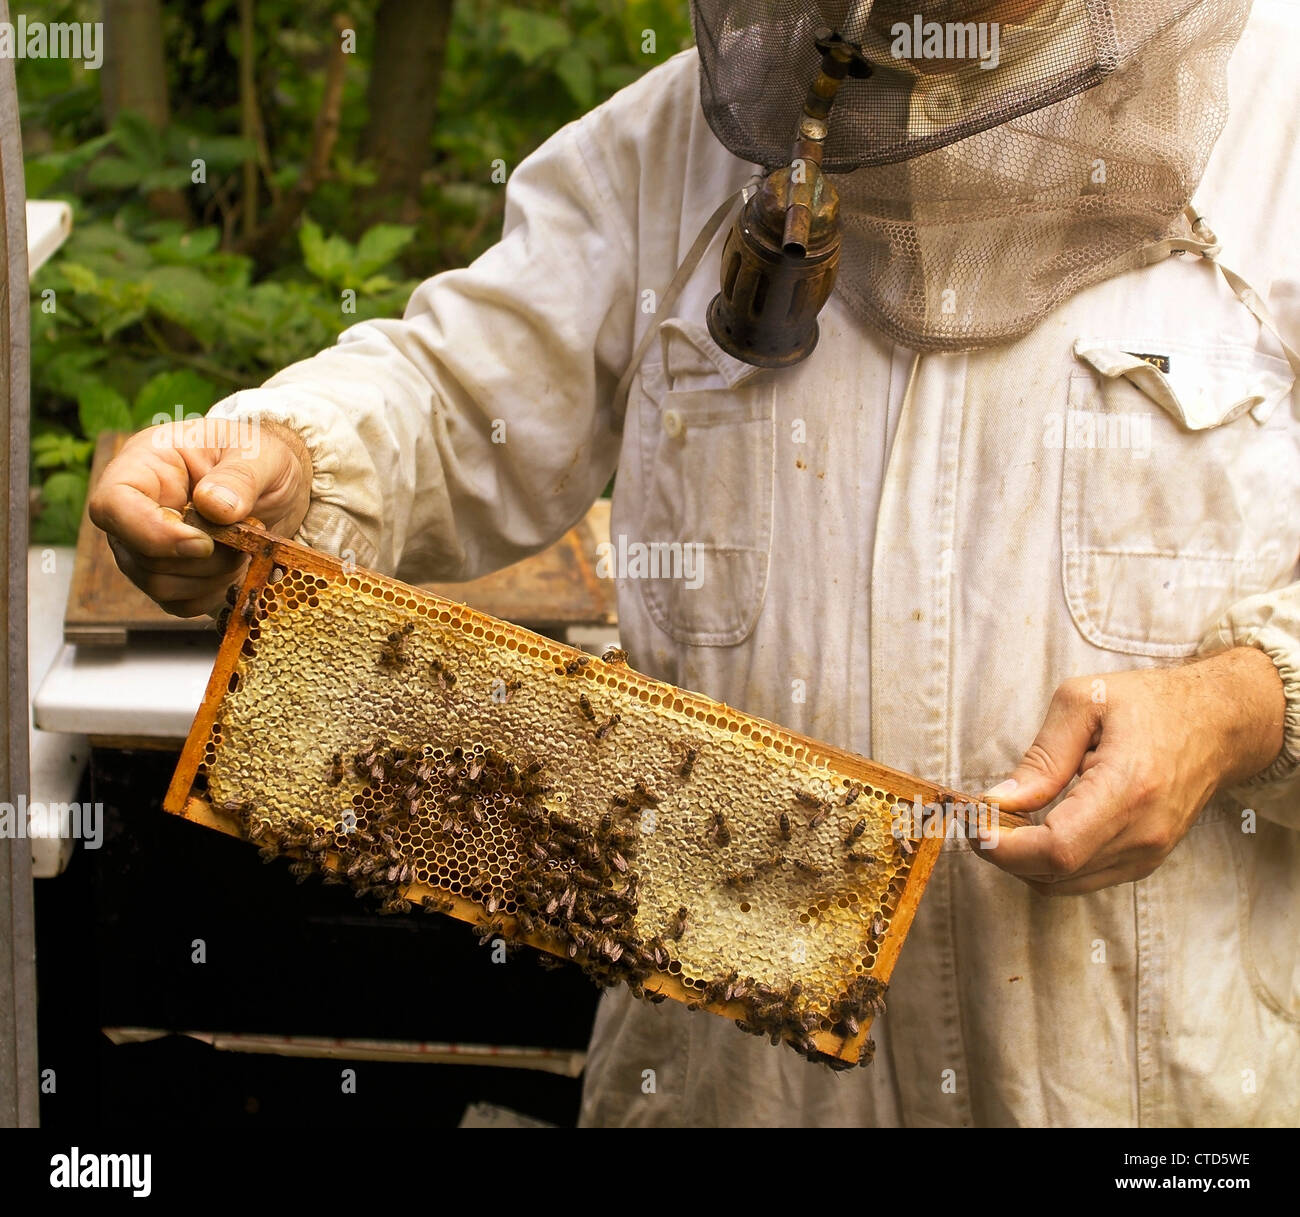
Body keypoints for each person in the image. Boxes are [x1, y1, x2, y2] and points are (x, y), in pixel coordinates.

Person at [90, 0, 1300, 1126]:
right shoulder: (689, 138)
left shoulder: (1275, 127)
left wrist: (1244, 704)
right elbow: (454, 392)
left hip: (1148, 1088)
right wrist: (286, 455)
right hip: (732, 1081)